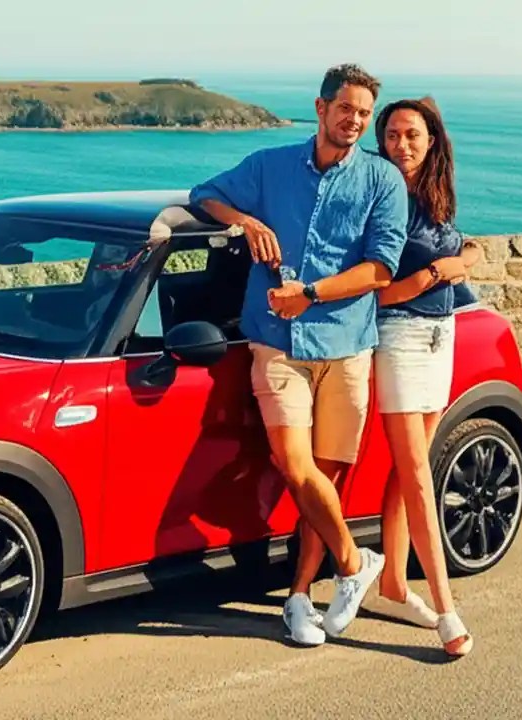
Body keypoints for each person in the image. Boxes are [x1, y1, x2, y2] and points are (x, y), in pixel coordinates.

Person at [188, 63, 409, 645]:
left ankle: (296, 600)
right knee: (294, 464)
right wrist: (245, 220)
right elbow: (203, 195)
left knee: (325, 481)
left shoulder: (383, 182)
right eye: (347, 110)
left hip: (346, 347)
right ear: (320, 107)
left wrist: (307, 293)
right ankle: (356, 565)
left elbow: (381, 268)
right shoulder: (268, 167)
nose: (356, 121)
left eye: (364, 114)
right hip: (277, 345)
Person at [362, 96, 484, 657]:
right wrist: (440, 271)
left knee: (406, 467)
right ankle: (446, 609)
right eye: (391, 135)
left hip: (442, 335)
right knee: (417, 473)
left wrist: (466, 258)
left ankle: (391, 581)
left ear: (432, 140)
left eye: (412, 134)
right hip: (399, 337)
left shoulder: (436, 192)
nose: (400, 145)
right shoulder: (379, 197)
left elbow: (462, 248)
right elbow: (378, 290)